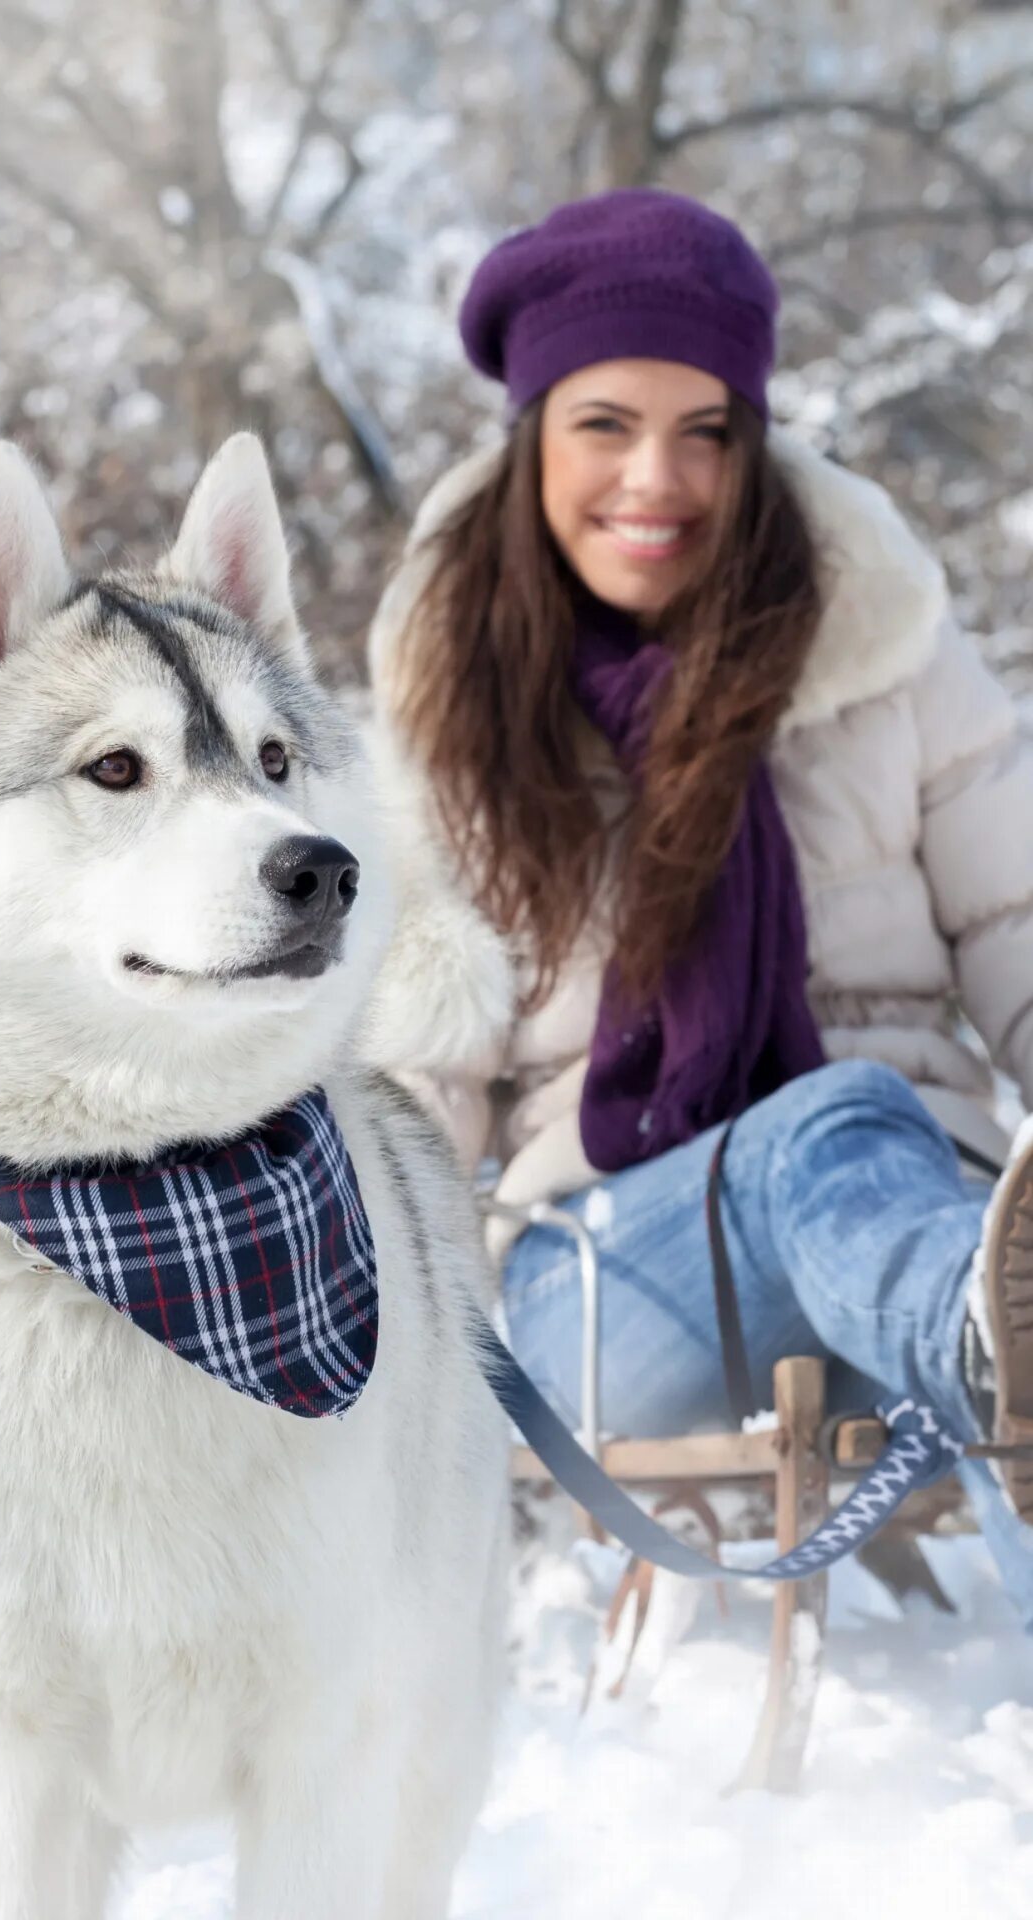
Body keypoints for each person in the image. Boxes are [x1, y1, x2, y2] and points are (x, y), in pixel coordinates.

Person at [366, 188, 1033, 1618]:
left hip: (924, 1236)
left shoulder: (889, 649)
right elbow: (406, 1099)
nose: (655, 478)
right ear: (532, 434)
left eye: (704, 430)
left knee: (950, 1248)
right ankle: (981, 1332)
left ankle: (981, 1335)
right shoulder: (450, 721)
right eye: (605, 423)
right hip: (607, 1291)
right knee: (847, 1133)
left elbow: (1022, 926)